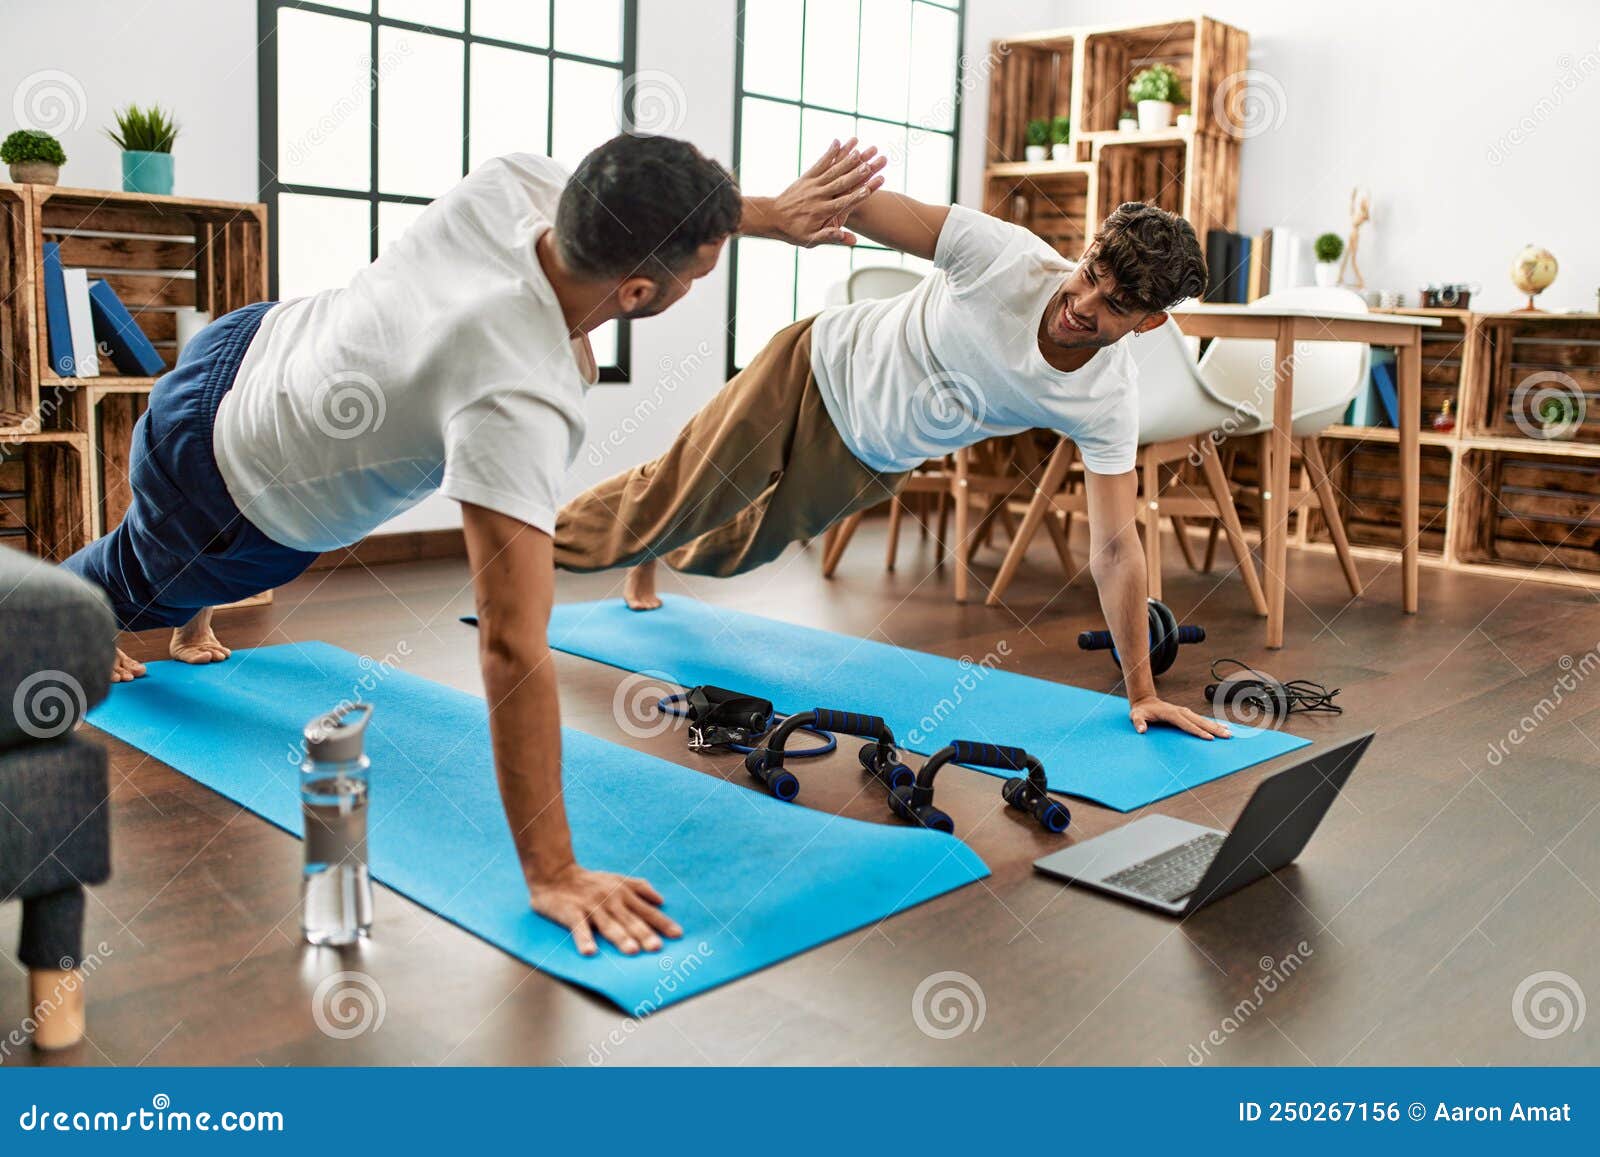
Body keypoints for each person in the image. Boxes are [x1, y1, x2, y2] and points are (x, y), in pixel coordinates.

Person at [62, 133, 885, 956]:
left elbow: (634, 193)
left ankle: (179, 616)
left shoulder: (518, 184)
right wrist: (555, 871)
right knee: (90, 605)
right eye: (701, 270)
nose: (704, 277)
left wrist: (773, 214)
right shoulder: (516, 392)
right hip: (228, 496)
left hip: (246, 347)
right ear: (636, 291)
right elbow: (513, 644)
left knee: (159, 566)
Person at [555, 167, 1232, 742]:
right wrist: (797, 203)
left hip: (871, 455)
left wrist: (1139, 690)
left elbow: (1115, 548)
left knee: (729, 549)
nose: (1080, 304)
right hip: (813, 366)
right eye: (1089, 274)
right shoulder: (1002, 255)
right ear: (1086, 252)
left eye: (1112, 305)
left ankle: (649, 545)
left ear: (1149, 321)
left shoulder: (1106, 398)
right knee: (679, 493)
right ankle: (519, 546)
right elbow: (865, 206)